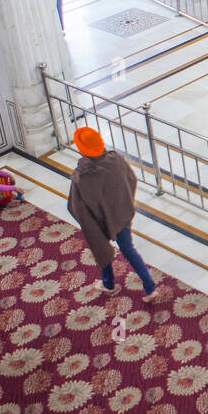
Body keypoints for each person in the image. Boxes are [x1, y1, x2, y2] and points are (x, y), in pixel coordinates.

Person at [66, 127, 158, 301]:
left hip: (97, 220)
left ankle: (108, 284)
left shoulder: (81, 174)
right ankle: (150, 287)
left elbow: (76, 205)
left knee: (101, 247)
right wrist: (124, 204)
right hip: (121, 215)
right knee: (128, 250)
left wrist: (92, 221)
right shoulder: (115, 159)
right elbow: (131, 179)